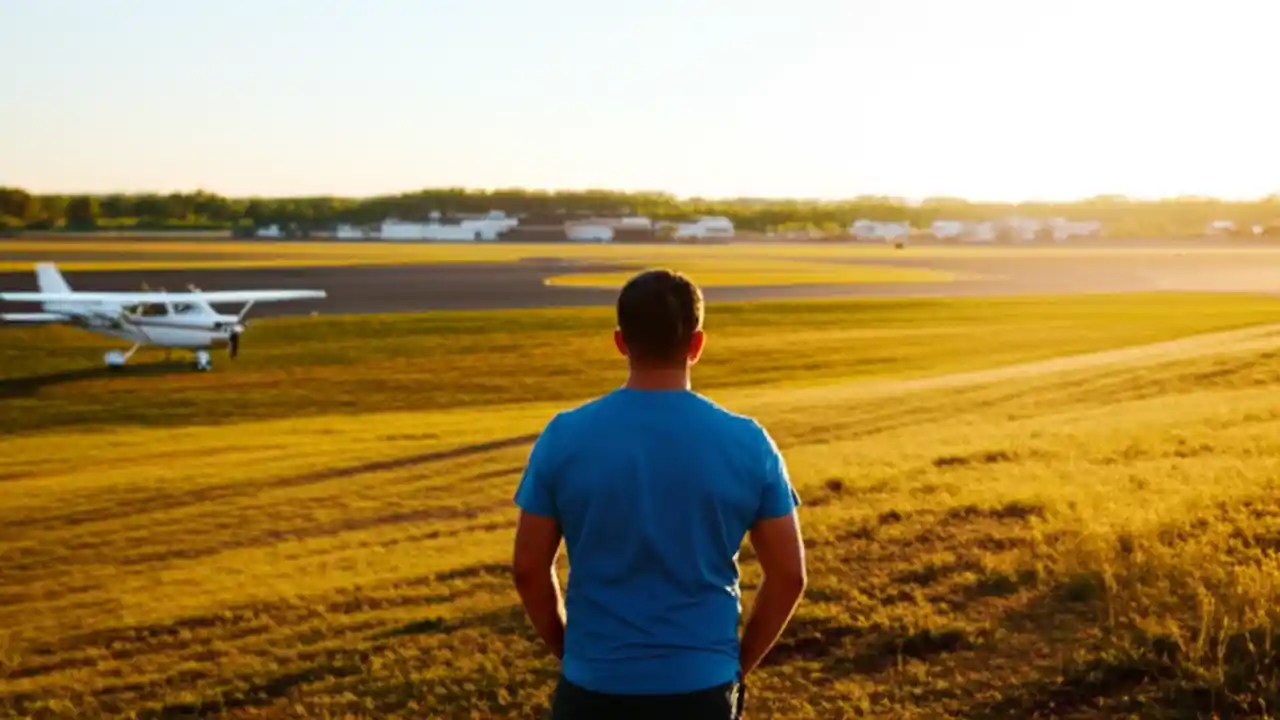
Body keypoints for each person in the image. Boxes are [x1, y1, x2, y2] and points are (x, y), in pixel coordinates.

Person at [512, 269, 806, 719]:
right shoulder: (748, 441)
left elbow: (529, 570)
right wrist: (735, 664)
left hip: (593, 682)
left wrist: (570, 652)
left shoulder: (564, 435)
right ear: (697, 345)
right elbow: (789, 576)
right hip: (702, 684)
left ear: (620, 341)